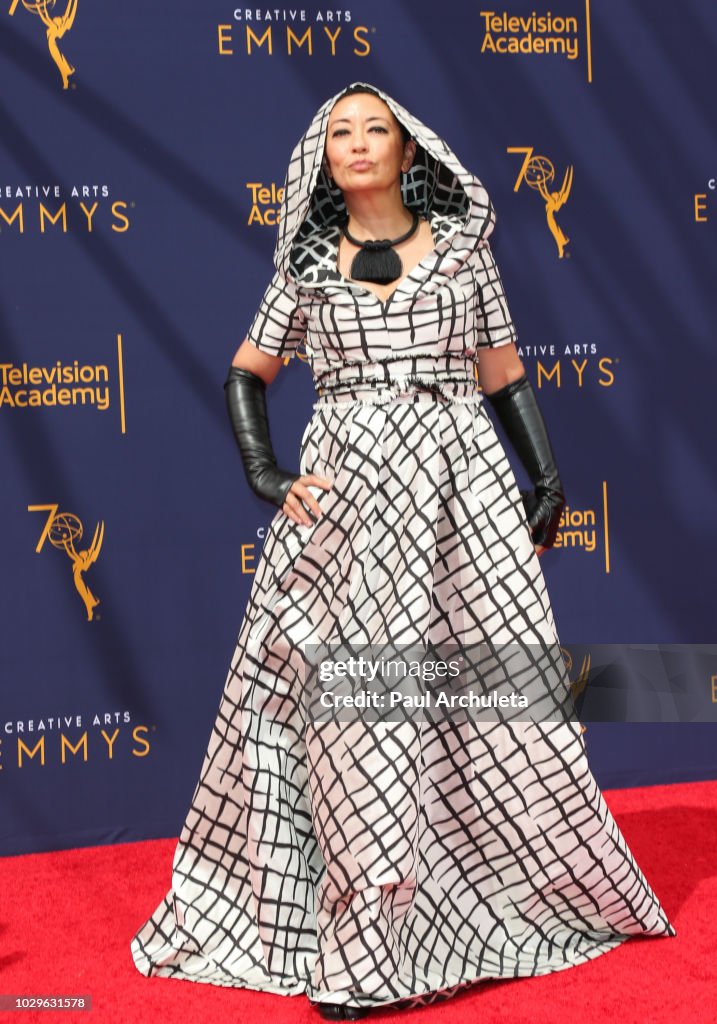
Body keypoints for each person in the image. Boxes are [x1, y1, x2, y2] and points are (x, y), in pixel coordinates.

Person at [131, 82, 676, 1020]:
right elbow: (245, 372)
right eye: (337, 132)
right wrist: (267, 475)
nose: (354, 143)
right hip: (350, 503)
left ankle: (495, 896)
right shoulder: (304, 263)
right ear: (322, 158)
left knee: (495, 700)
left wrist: (543, 480)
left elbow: (501, 369)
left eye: (372, 129)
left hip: (462, 494)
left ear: (407, 150)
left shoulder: (464, 249)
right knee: (357, 714)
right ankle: (359, 944)